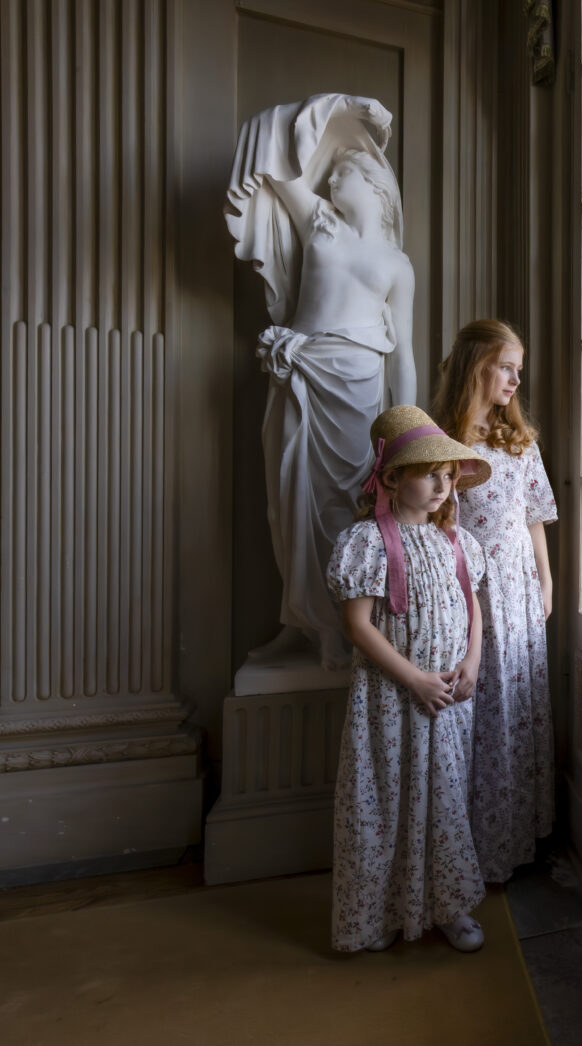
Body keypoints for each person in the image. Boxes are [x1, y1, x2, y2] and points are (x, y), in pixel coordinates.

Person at [227, 94, 416, 669]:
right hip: (300, 373)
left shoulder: (396, 264)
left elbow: (404, 354)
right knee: (287, 501)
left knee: (346, 509)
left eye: (343, 175)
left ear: (376, 188)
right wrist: (340, 107)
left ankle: (342, 622)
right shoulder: (320, 226)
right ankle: (301, 622)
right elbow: (267, 145)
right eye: (330, 176)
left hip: (358, 386)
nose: (332, 182)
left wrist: (405, 438)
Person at [325, 404, 490, 953]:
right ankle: (379, 916)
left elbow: (473, 610)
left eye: (449, 473)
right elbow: (357, 626)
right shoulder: (367, 542)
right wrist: (414, 680)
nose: (443, 484)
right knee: (387, 804)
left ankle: (449, 905)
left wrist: (472, 661)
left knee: (444, 801)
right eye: (429, 473)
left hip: (447, 701)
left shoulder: (460, 543)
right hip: (392, 701)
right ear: (392, 478)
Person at [430, 319, 558, 883]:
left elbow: (533, 519)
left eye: (519, 370)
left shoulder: (518, 441)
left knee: (514, 708)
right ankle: (468, 850)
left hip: (519, 591)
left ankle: (514, 839)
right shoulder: (439, 440)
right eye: (506, 366)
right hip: (465, 592)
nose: (514, 379)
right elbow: (427, 523)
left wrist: (546, 581)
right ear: (477, 364)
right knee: (471, 713)